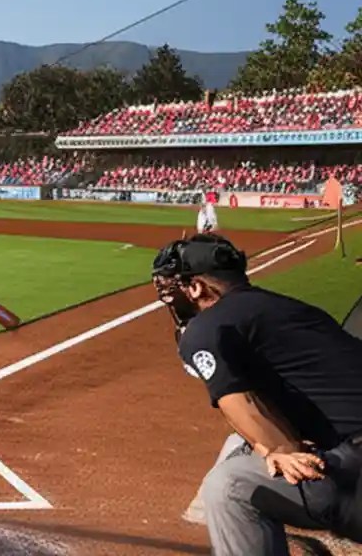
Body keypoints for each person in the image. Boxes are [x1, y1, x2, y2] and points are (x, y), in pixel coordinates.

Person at [151, 233, 362, 556]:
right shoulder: (284, 310)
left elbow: (237, 401)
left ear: (196, 288)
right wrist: (271, 446)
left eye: (174, 287)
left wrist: (279, 450)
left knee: (230, 486)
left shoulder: (208, 326)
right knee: (241, 444)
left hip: (355, 473)